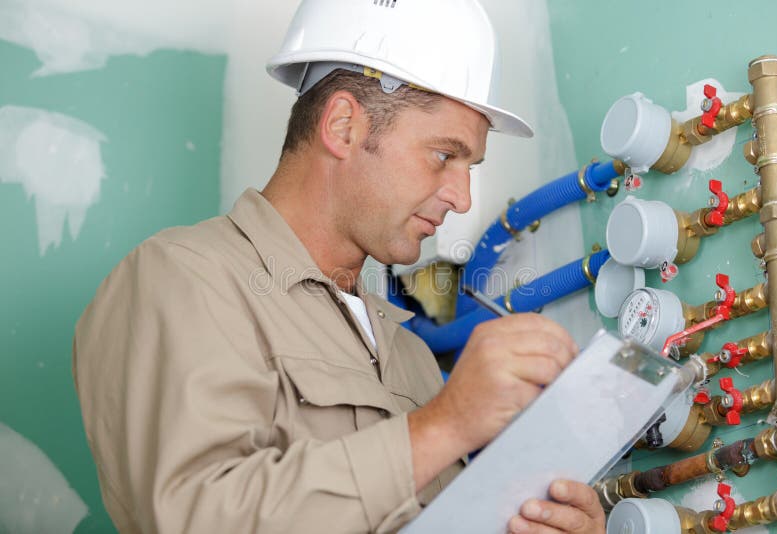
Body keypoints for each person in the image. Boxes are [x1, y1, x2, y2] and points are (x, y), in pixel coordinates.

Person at [73, 1, 606, 532]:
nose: (463, 198)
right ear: (345, 126)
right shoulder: (184, 278)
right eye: (445, 155)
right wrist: (445, 425)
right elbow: (195, 519)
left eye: (472, 167)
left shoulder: (410, 353)